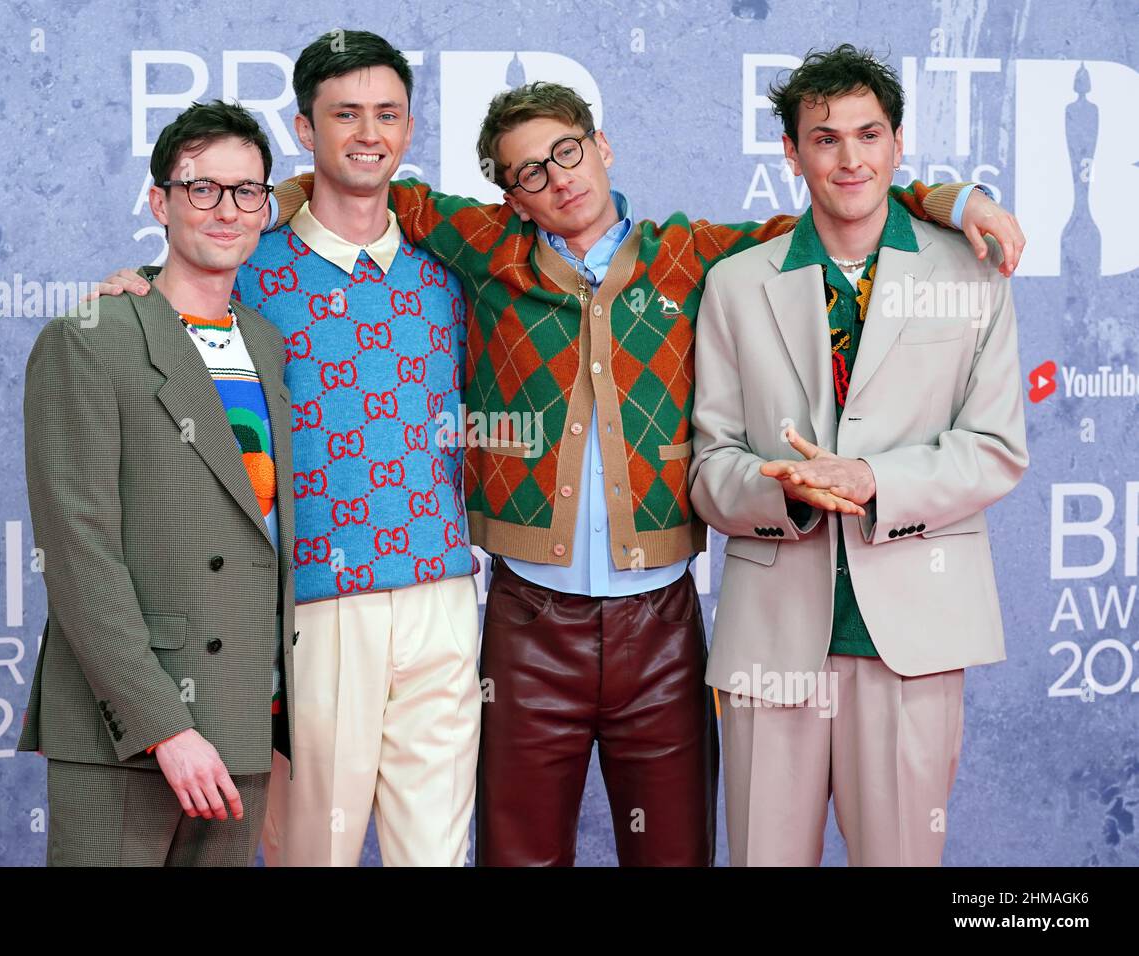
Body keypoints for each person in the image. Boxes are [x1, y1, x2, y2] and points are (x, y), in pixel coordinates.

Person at [267, 74, 1024, 866]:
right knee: (515, 850)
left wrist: (954, 201)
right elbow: (371, 187)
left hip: (660, 619)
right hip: (527, 620)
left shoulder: (696, 257)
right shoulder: (488, 249)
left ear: (602, 147)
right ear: (512, 200)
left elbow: (837, 209)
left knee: (673, 851)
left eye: (567, 151)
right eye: (530, 172)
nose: (558, 177)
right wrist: (265, 201)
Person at [96, 32, 479, 867]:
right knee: (315, 850)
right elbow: (165, 308)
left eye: (388, 114)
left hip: (446, 592)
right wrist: (129, 291)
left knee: (440, 854)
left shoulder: (449, 267)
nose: (369, 133)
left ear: (410, 129)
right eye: (345, 114)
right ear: (306, 130)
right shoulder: (250, 266)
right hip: (311, 599)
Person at [688, 45, 1028, 866]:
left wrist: (872, 479)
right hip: (771, 647)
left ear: (898, 145)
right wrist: (790, 492)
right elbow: (708, 470)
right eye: (826, 138)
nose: (850, 158)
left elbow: (996, 450)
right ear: (792, 152)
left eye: (868, 135)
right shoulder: (736, 282)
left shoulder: (972, 272)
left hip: (914, 636)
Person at [19, 101, 295, 866]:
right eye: (201, 188)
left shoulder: (268, 344)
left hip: (243, 708)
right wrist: (165, 727)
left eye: (247, 192)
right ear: (159, 201)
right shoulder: (91, 338)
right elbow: (80, 559)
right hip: (129, 725)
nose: (226, 209)